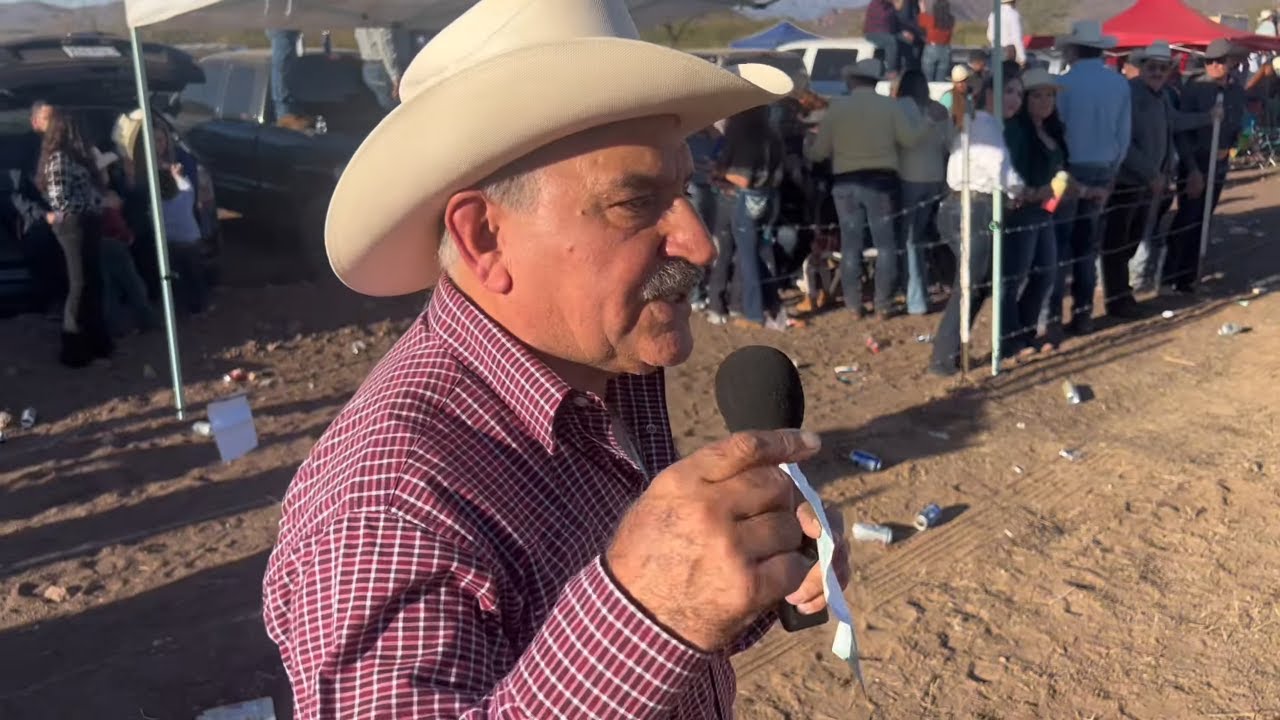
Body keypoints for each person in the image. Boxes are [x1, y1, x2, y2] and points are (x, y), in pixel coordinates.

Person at [261, 1, 850, 717]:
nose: (700, 244)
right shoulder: (386, 503)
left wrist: (747, 576)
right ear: (484, 238)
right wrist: (652, 610)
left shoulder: (603, 379)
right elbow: (631, 636)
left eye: (685, 192)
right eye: (637, 203)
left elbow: (617, 661)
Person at [805, 58, 930, 318]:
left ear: (852, 81)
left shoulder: (837, 109)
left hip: (845, 183)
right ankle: (883, 303)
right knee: (886, 244)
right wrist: (928, 123)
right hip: (881, 183)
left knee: (851, 244)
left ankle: (854, 304)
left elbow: (818, 153)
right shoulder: (889, 107)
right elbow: (910, 140)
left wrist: (808, 144)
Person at [1103, 41, 1218, 318]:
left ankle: (1123, 294)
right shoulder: (1129, 95)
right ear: (1141, 68)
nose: (1156, 72)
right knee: (1117, 243)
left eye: (1161, 68)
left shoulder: (1163, 96)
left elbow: (1176, 122)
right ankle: (1116, 300)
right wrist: (1149, 172)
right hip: (1128, 181)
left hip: (1150, 184)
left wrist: (1208, 117)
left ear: (1168, 71)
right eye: (1152, 67)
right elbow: (1123, 143)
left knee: (1132, 241)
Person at [928, 71, 1025, 376]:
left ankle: (951, 353)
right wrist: (1019, 188)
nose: (1015, 99)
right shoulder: (984, 123)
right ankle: (944, 358)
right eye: (1009, 91)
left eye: (1018, 94)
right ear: (988, 94)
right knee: (970, 284)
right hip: (975, 209)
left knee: (977, 284)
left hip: (972, 208)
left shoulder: (982, 122)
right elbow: (999, 170)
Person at [1051, 20, 1130, 337]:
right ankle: (1082, 315)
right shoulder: (1119, 84)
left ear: (1074, 49)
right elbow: (1123, 135)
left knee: (1060, 245)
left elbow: (1058, 132)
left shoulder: (1063, 85)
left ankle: (1053, 317)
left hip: (1070, 168)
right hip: (1103, 166)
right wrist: (1113, 171)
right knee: (1086, 245)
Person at [1166, 39, 1246, 293]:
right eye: (1210, 61)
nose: (1214, 65)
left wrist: (1231, 146)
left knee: (1204, 219)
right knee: (1187, 218)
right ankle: (1170, 276)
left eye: (1220, 61)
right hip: (1196, 161)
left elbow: (1235, 121)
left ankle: (1189, 278)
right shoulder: (1195, 87)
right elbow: (1182, 131)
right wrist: (1191, 169)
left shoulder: (1236, 90)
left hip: (1220, 161)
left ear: (1231, 63)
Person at [36, 107, 113, 367]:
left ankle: (98, 341)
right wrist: (86, 206)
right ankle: (73, 348)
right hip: (74, 225)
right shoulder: (58, 159)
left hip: (89, 222)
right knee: (79, 284)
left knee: (94, 282)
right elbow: (60, 199)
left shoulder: (77, 158)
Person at [713, 105, 798, 331]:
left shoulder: (746, 140)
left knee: (748, 258)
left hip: (749, 201)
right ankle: (772, 303)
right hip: (771, 198)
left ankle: (753, 313)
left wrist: (721, 172)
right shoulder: (773, 137)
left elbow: (743, 179)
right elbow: (781, 173)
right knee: (763, 253)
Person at [1002, 67, 1066, 358]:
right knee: (1014, 277)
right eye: (1037, 96)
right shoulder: (1017, 130)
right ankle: (1008, 339)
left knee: (1044, 273)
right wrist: (1033, 192)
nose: (1045, 101)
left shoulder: (1050, 129)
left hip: (1044, 211)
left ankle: (1024, 332)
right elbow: (1010, 172)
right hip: (1022, 210)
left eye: (1049, 95)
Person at [896, 69, 953, 316]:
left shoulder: (901, 108)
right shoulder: (939, 109)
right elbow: (950, 142)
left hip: (909, 178)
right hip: (936, 178)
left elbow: (905, 141)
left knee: (909, 241)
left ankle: (916, 298)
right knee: (920, 238)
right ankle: (922, 292)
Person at [355, 25, 415, 110]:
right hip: (386, 68)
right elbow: (385, 43)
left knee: (393, 109)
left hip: (371, 66)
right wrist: (395, 76)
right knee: (401, 109)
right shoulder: (384, 17)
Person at [919, 0, 956, 82]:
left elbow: (921, 21)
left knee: (927, 78)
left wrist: (922, 7)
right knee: (941, 80)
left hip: (932, 48)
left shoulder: (931, 19)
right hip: (945, 49)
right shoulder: (951, 20)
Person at [864, 0, 902, 77]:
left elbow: (895, 24)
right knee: (891, 42)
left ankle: (905, 70)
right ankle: (891, 71)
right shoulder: (877, 4)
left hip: (888, 33)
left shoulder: (891, 7)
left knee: (905, 41)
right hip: (873, 33)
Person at [987, 0, 1026, 67]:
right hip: (1009, 52)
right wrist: (1022, 57)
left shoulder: (993, 14)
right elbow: (1016, 38)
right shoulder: (1013, 14)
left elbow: (989, 36)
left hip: (995, 51)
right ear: (1013, 2)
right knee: (1009, 75)